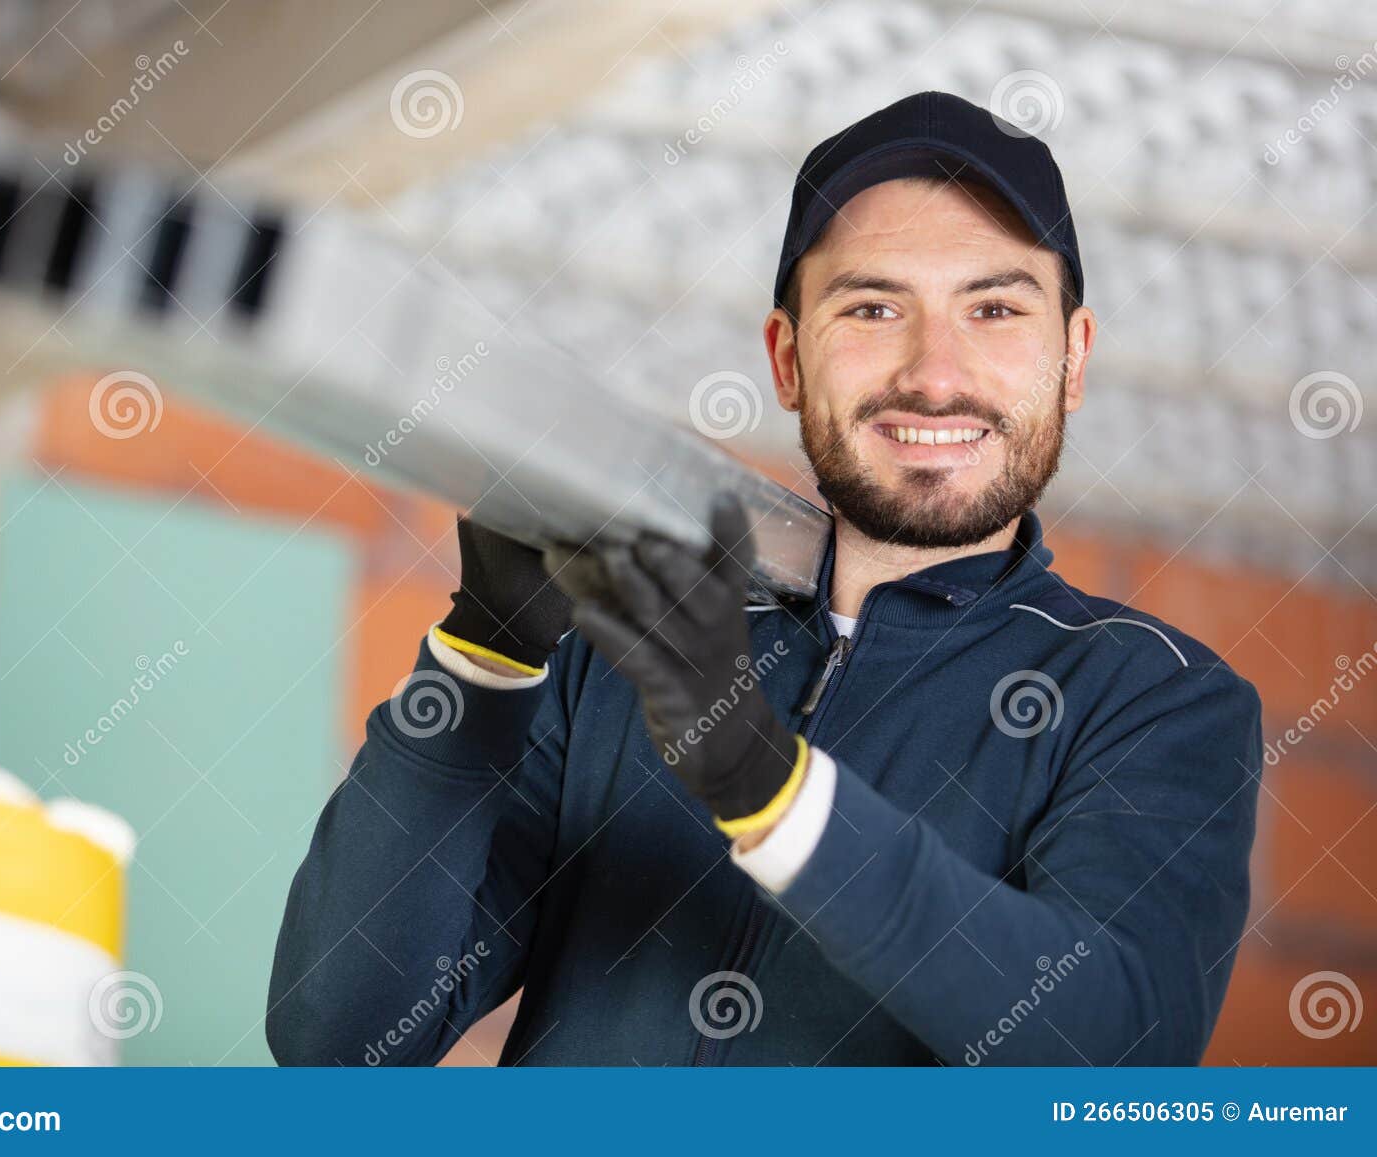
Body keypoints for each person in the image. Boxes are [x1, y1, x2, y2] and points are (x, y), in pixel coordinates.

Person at [266, 91, 1263, 1066]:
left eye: (995, 307)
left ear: (1072, 358)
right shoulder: (622, 651)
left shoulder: (1154, 699)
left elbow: (1111, 1044)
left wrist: (762, 781)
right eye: (872, 305)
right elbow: (336, 1037)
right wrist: (487, 651)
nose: (935, 370)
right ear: (786, 357)